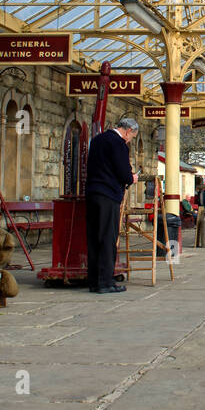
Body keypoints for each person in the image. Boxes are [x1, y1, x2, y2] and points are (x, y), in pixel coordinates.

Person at [85, 115, 139, 294]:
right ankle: (105, 282)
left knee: (94, 238)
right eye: (132, 137)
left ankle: (93, 280)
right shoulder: (118, 144)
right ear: (128, 131)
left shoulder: (98, 140)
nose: (130, 140)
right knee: (108, 238)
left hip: (92, 193)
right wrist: (132, 178)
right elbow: (123, 172)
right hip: (108, 195)